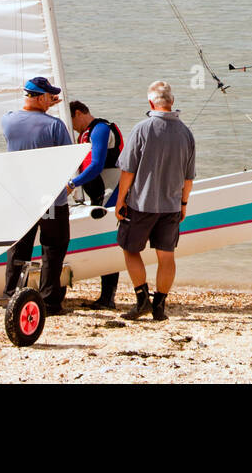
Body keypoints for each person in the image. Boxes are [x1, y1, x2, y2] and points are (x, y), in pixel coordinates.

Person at [116, 80, 195, 322]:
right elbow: (188, 177)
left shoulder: (142, 128)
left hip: (141, 204)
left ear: (151, 102)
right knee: (166, 256)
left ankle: (142, 301)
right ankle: (159, 305)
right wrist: (183, 204)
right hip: (171, 206)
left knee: (130, 250)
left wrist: (120, 201)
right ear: (172, 103)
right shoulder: (186, 133)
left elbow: (128, 170)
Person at [1, 76, 74, 316]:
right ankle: (50, 302)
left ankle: (11, 295)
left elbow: (27, 121)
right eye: (49, 96)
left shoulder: (8, 121)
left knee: (19, 248)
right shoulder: (55, 126)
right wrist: (48, 111)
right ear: (42, 97)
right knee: (53, 248)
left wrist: (42, 106)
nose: (51, 100)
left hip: (21, 199)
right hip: (50, 201)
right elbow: (68, 161)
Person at [69, 100, 125, 310]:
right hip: (97, 195)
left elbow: (96, 164)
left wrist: (73, 183)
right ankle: (105, 296)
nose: (72, 126)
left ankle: (108, 298)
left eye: (72, 120)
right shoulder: (84, 134)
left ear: (78, 113)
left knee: (108, 242)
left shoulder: (100, 129)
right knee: (101, 241)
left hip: (111, 193)